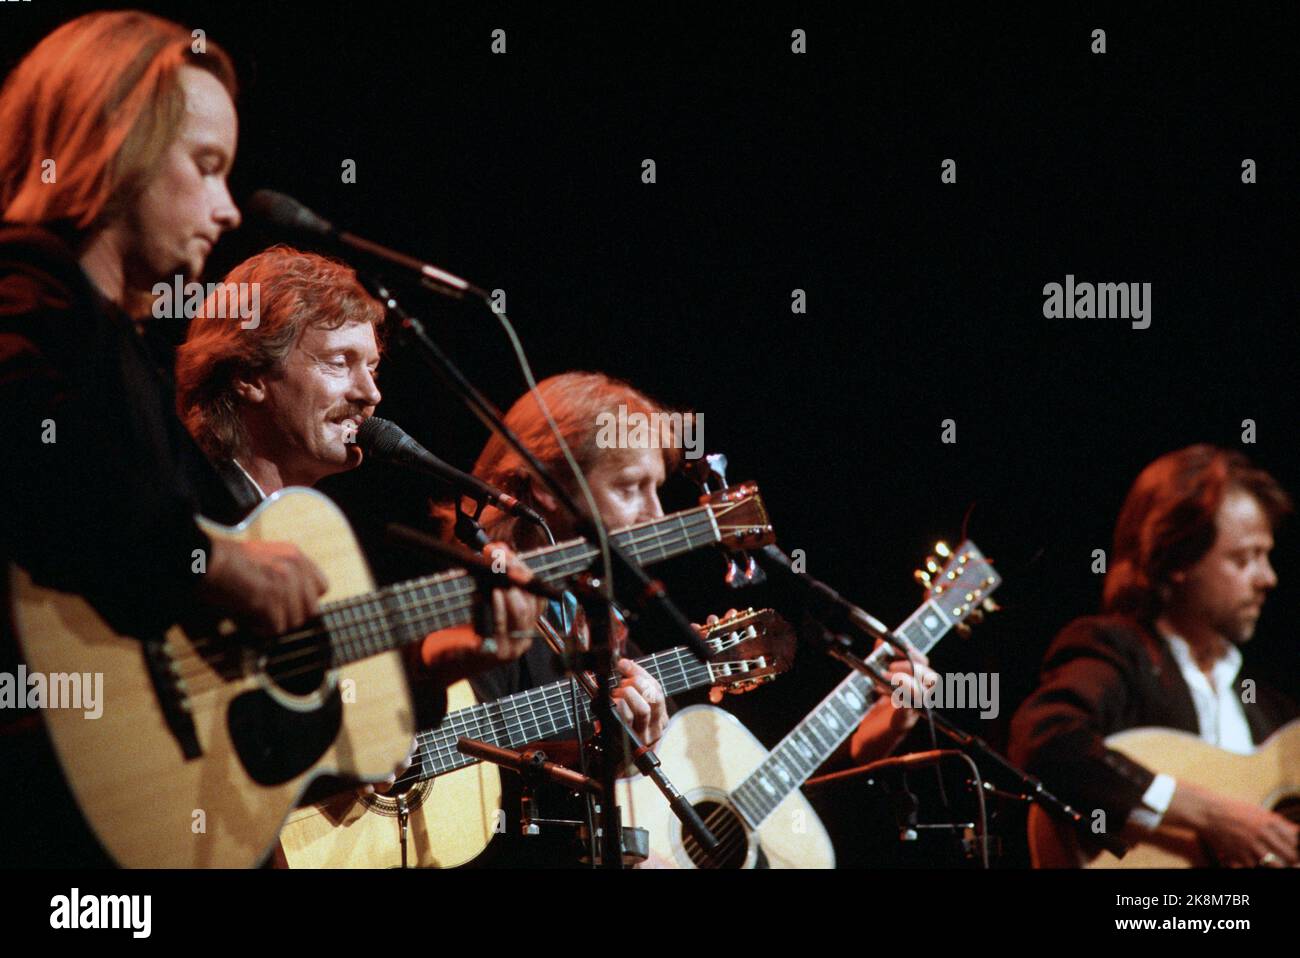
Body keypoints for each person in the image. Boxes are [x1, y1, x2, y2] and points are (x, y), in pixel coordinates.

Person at [0, 11, 325, 867]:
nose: (226, 209)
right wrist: (217, 567)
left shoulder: (118, 344)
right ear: (115, 146)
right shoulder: (28, 302)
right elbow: (51, 486)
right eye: (206, 166)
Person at [176, 245, 543, 735]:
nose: (370, 393)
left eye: (371, 366)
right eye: (339, 362)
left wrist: (465, 651)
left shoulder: (322, 542)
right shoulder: (180, 504)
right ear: (249, 375)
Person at [1009, 445, 1299, 867]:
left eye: (1267, 556)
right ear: (1179, 557)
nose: (1267, 578)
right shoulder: (1116, 654)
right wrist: (1208, 813)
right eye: (1244, 558)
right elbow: (1045, 739)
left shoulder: (1273, 716)